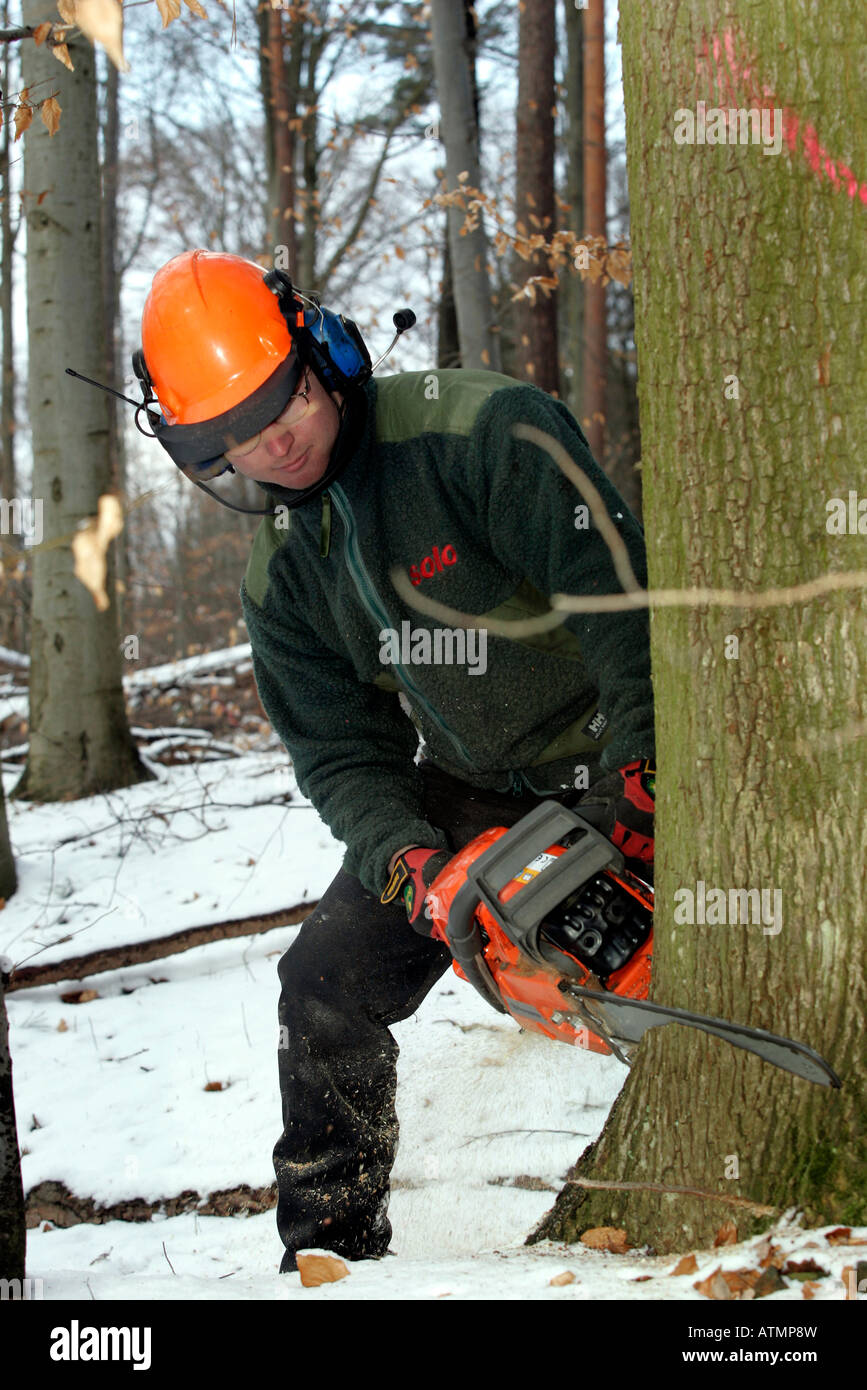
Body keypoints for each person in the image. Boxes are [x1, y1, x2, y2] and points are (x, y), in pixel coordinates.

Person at [136, 248, 656, 1272]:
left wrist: (639, 788)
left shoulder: (478, 434)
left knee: (638, 952)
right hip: (470, 782)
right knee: (322, 983)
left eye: (279, 399)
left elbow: (623, 613)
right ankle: (331, 1255)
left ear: (320, 352)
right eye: (232, 433)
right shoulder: (284, 572)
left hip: (609, 748)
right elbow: (340, 751)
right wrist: (409, 864)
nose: (271, 440)